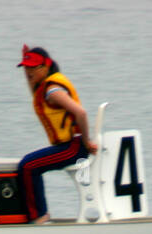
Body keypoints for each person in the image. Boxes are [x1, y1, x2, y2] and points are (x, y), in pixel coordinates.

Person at [16, 45, 97, 223]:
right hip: (67, 146)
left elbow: (81, 113)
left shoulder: (53, 90)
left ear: (45, 67)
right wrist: (27, 60)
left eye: (33, 67)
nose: (28, 72)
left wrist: (86, 142)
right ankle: (36, 215)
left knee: (28, 165)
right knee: (28, 164)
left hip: (74, 147)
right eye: (26, 68)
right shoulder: (42, 86)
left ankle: (39, 216)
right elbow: (33, 86)